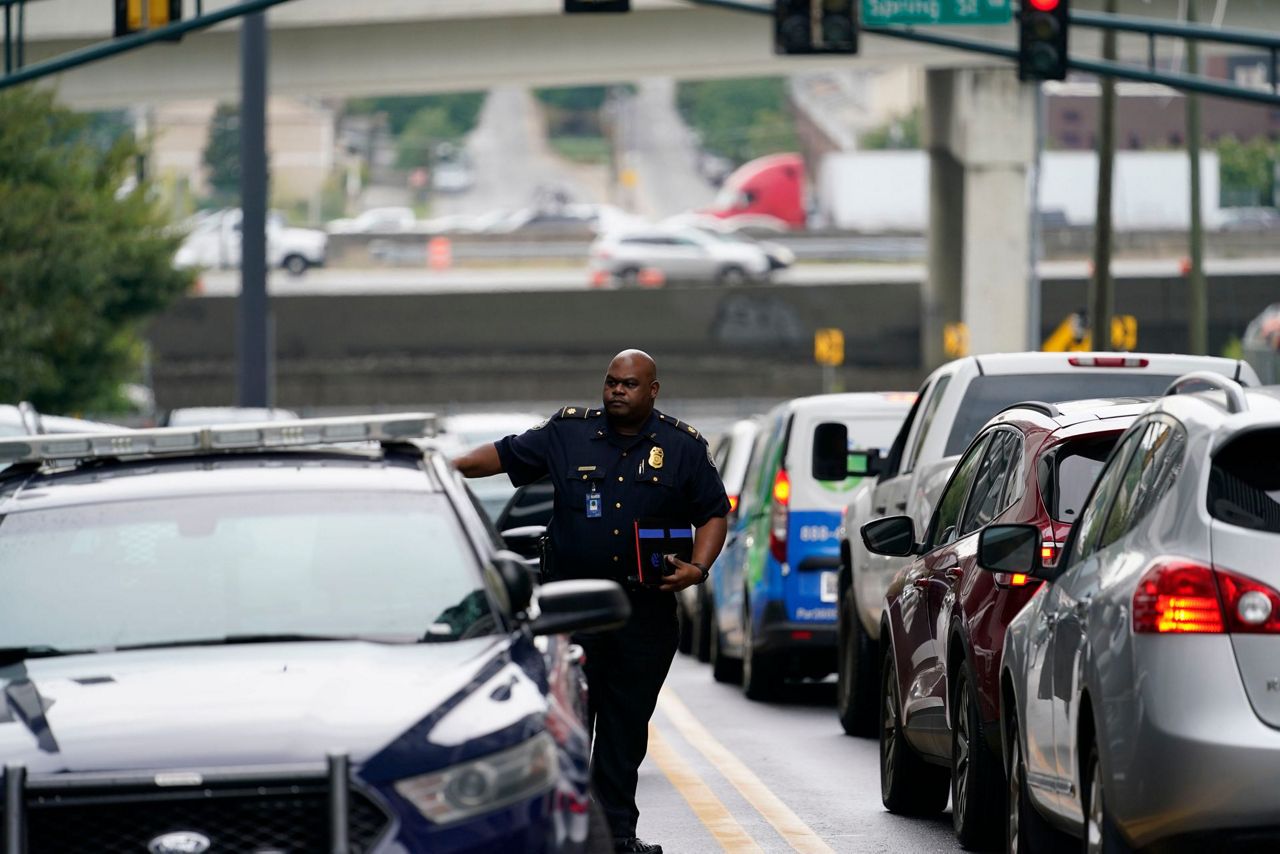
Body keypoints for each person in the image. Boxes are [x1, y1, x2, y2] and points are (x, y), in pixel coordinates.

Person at [453, 349, 729, 854]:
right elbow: (497, 457)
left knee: (623, 735)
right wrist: (440, 468)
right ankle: (564, 835)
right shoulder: (568, 432)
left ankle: (617, 837)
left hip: (642, 614)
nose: (616, 391)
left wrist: (699, 568)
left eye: (628, 384)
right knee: (568, 727)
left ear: (652, 390)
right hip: (571, 613)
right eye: (610, 383)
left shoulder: (682, 446)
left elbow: (713, 512)